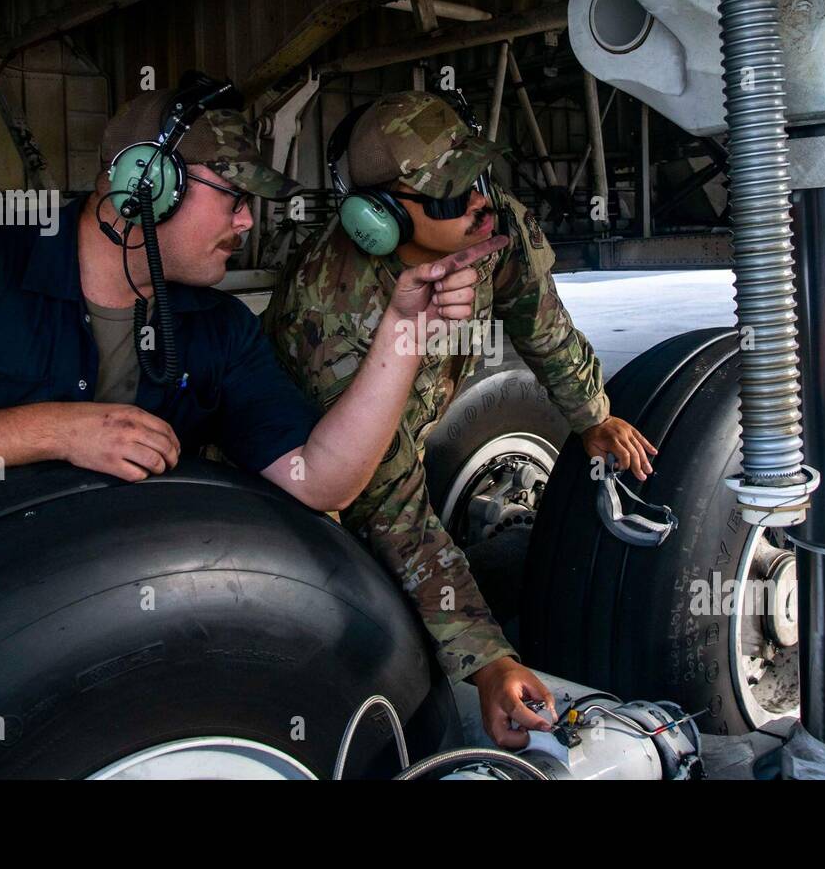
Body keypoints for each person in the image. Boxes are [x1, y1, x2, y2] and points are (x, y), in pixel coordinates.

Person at [0, 86, 507, 567]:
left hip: (59, 586)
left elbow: (320, 482)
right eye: (232, 198)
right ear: (145, 184)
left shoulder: (216, 328)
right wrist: (59, 428)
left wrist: (403, 330)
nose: (246, 222)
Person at [264, 90, 656, 748]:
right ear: (380, 219)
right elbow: (391, 510)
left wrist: (591, 417)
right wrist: (485, 660)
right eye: (450, 195)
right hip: (302, 473)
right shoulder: (333, 320)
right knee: (345, 603)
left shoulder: (489, 224)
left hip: (402, 435)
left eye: (477, 176)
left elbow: (542, 321)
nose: (479, 201)